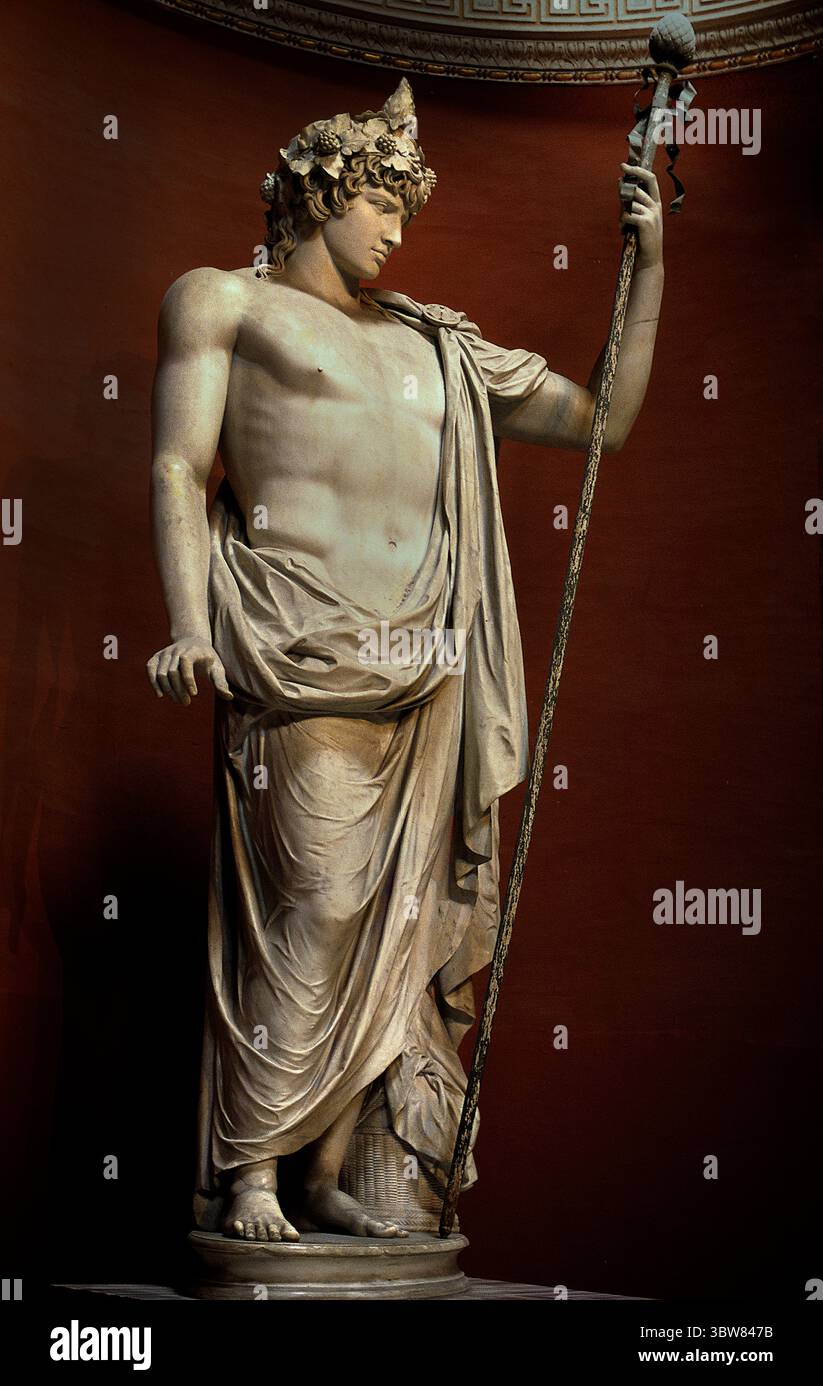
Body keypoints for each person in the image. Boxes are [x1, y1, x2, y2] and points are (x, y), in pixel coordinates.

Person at [146, 78, 664, 1243]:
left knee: (398, 930)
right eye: (380, 202)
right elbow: (183, 469)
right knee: (321, 904)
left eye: (403, 211)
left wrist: (652, 264)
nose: (394, 230)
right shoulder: (224, 304)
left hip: (427, 668)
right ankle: (247, 1179)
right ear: (321, 192)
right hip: (297, 654)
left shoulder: (440, 346)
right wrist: (187, 623)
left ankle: (323, 1174)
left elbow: (602, 425)